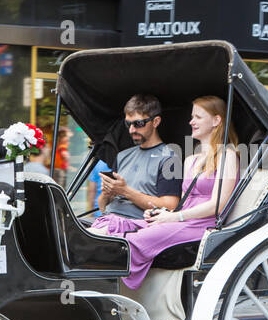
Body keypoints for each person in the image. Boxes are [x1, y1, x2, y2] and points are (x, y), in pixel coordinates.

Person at [121, 95, 240, 290]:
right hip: (182, 220)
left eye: (198, 117)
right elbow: (183, 201)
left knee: (131, 241)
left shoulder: (227, 156)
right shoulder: (190, 160)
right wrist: (164, 214)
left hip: (202, 225)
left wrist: (177, 216)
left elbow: (218, 205)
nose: (191, 122)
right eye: (192, 116)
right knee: (121, 227)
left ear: (216, 121)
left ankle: (122, 291)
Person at [88, 94, 181, 237]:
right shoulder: (122, 156)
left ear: (155, 122)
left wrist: (125, 191)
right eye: (128, 124)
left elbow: (171, 206)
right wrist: (107, 194)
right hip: (107, 221)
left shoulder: (170, 158)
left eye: (138, 124)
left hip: (137, 228)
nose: (131, 130)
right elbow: (103, 206)